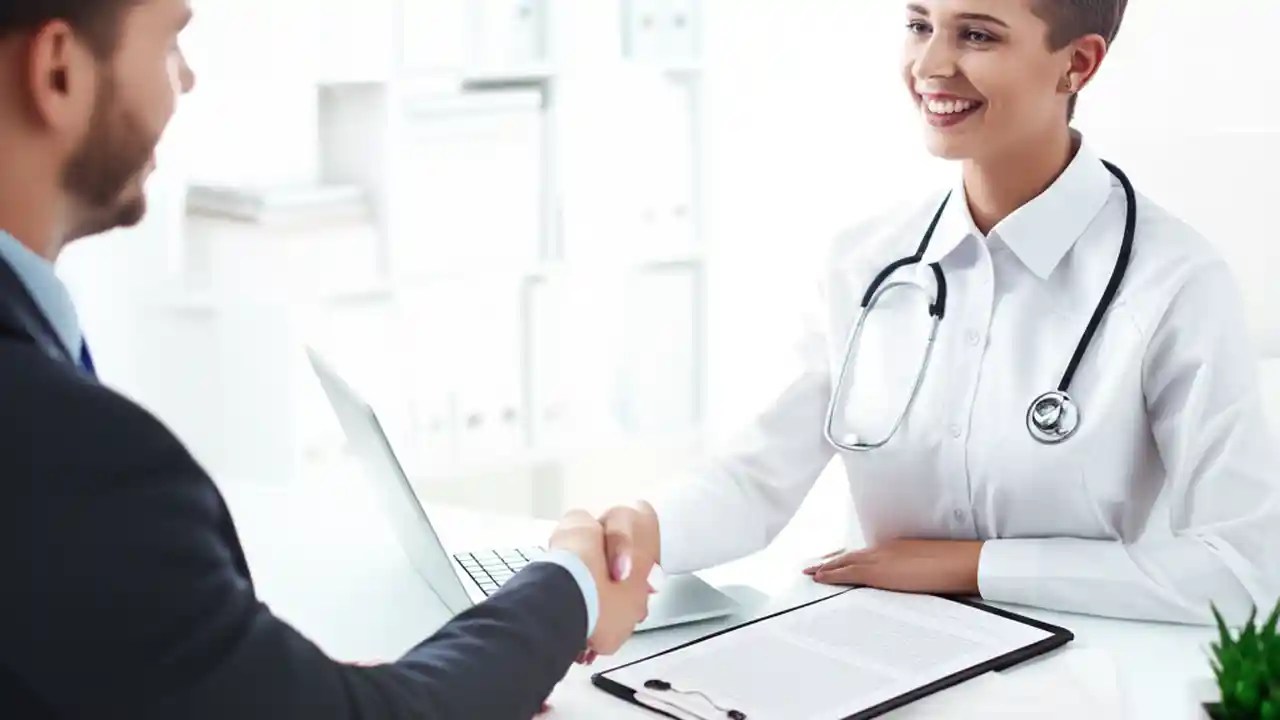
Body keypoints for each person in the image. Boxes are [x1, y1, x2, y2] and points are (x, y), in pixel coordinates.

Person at [0, 1, 656, 718]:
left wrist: (276, 685)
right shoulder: (74, 452)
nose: (185, 80)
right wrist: (571, 583)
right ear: (58, 71)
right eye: (169, 43)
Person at [596, 0, 1280, 628]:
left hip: (1087, 676)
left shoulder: (1175, 283)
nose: (929, 66)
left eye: (976, 34)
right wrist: (641, 528)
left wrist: (970, 565)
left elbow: (1241, 571)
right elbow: (755, 481)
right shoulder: (864, 264)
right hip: (872, 652)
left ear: (1078, 63)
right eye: (920, 24)